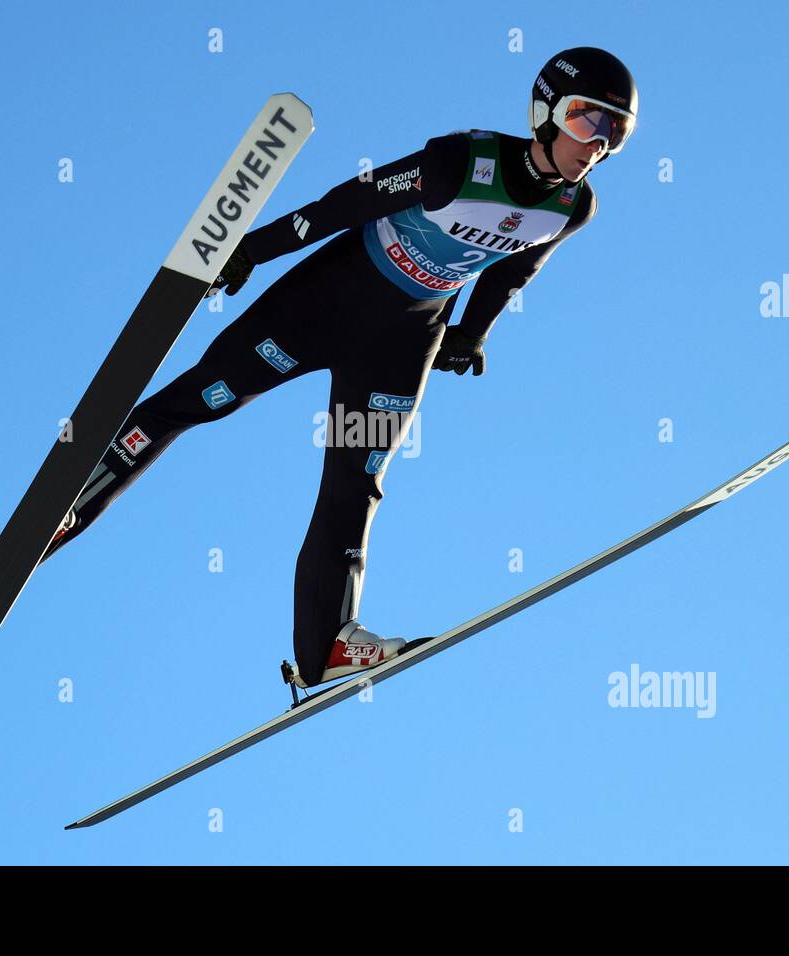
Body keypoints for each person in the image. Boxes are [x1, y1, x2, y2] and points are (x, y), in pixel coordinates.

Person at [42, 47, 638, 689]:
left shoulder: (573, 208)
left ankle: (327, 644)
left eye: (616, 132)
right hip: (328, 303)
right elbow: (343, 206)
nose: (597, 143)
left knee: (357, 481)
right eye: (586, 120)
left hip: (403, 344)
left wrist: (471, 334)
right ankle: (76, 498)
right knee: (205, 397)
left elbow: (516, 266)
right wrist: (254, 249)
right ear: (545, 111)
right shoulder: (462, 162)